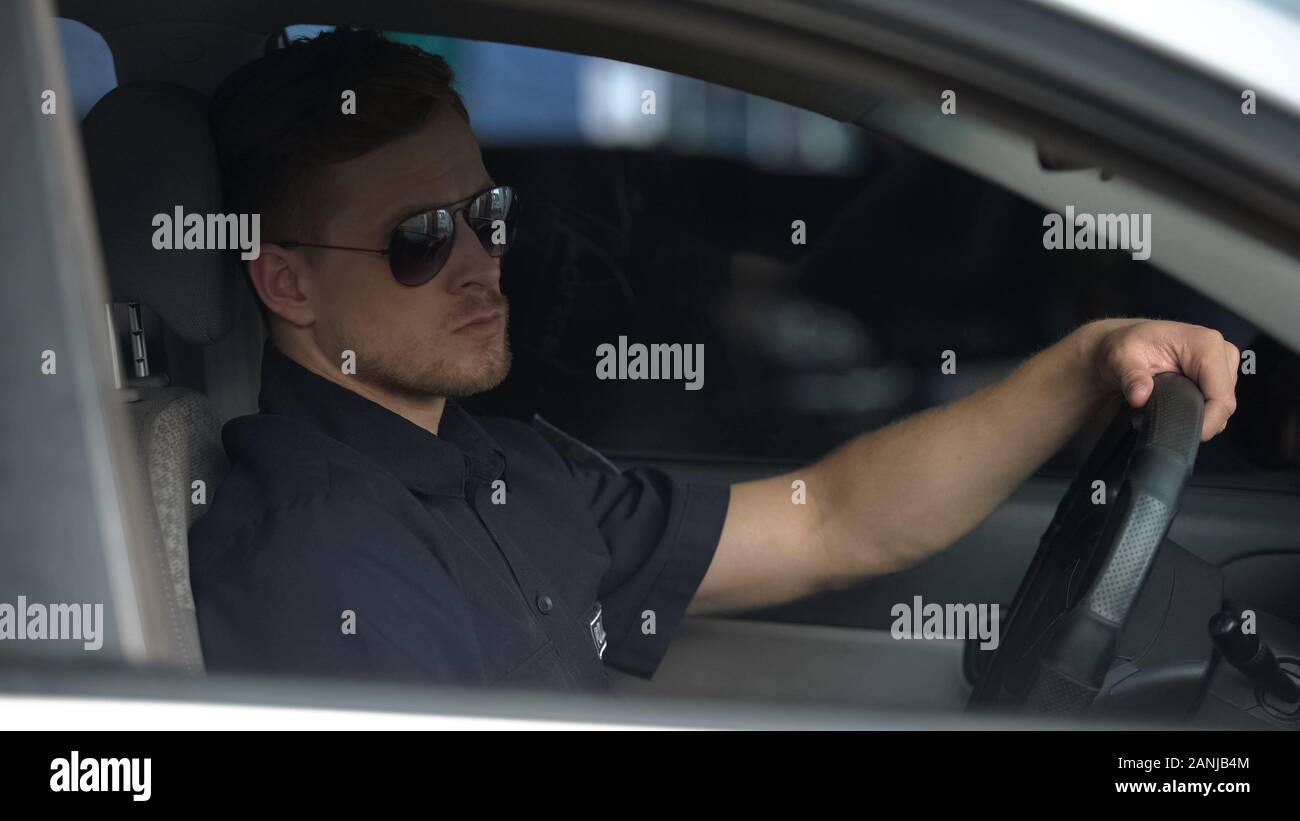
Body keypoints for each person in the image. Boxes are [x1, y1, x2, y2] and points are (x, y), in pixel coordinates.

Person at [190, 29, 1240, 689]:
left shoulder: (508, 469)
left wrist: (1093, 358)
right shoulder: (316, 557)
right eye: (421, 238)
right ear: (286, 282)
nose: (480, 265)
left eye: (485, 212)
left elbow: (832, 518)